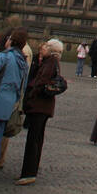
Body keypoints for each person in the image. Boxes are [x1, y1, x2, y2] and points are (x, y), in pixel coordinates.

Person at [17, 37, 64, 184]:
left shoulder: (50, 62)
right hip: (44, 106)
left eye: (46, 46)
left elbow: (40, 82)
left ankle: (28, 173)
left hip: (40, 106)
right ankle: (30, 172)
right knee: (36, 139)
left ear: (51, 49)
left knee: (33, 140)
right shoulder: (49, 61)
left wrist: (30, 96)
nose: (43, 47)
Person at [0, 28, 29, 190]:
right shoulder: (22, 62)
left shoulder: (3, 57)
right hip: (8, 106)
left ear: (11, 41)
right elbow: (22, 87)